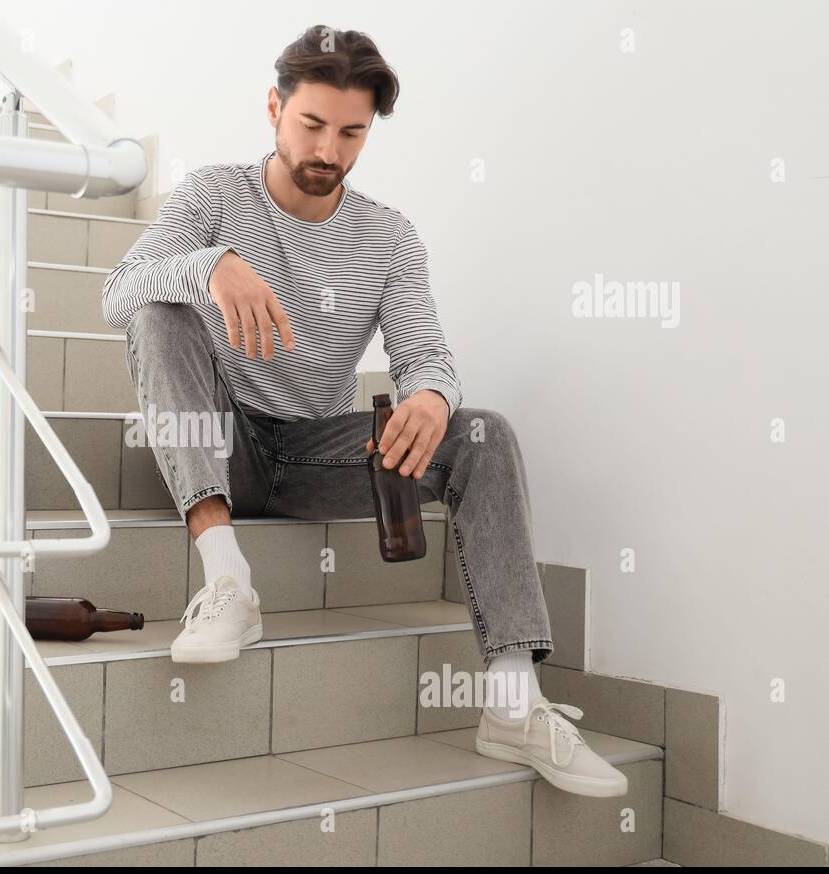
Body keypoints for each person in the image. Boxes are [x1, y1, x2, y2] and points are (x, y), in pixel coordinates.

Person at [100, 25, 626, 798]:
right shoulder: (212, 196)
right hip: (217, 442)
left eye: (351, 133)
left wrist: (428, 396)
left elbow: (428, 355)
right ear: (275, 108)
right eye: (312, 125)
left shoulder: (387, 237)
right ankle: (227, 580)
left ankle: (514, 702)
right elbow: (118, 291)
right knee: (158, 309)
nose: (329, 151)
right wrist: (211, 266)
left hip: (316, 454)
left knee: (483, 432)